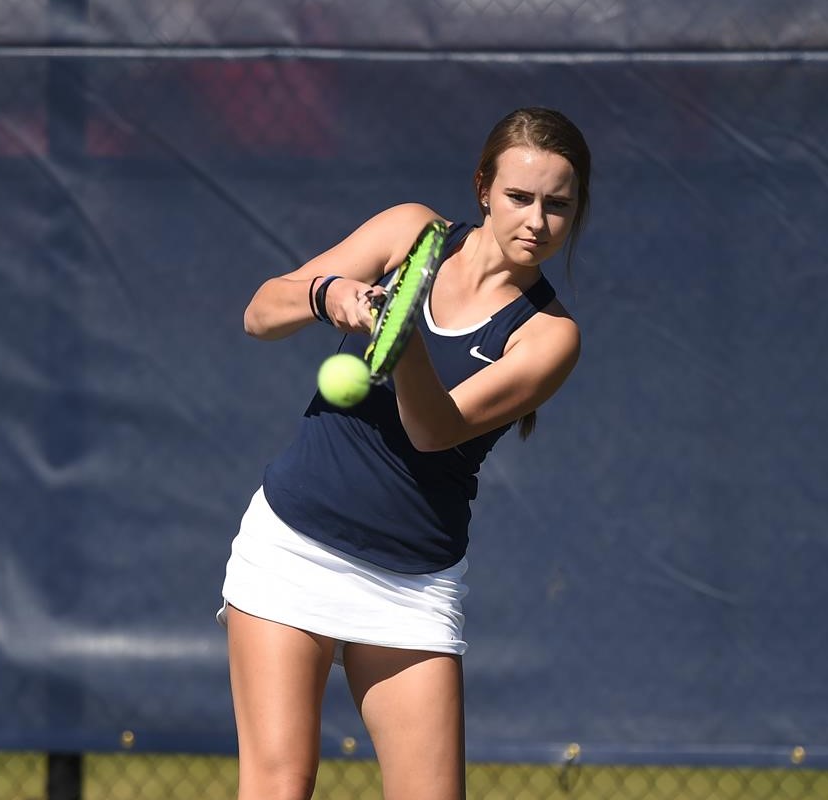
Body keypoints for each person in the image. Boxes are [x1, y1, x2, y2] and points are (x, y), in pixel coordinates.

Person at [221, 106, 591, 800]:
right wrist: (327, 294)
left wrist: (403, 331)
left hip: (411, 584)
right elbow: (260, 312)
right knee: (278, 784)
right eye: (518, 197)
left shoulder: (548, 337)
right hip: (292, 548)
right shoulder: (409, 230)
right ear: (484, 187)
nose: (535, 221)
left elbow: (434, 430)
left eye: (557, 206)